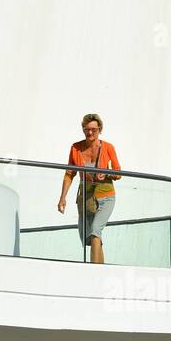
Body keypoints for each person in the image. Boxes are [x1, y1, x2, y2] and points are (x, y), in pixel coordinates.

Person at [57, 113, 122, 264]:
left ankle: (94, 272)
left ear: (100, 129)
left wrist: (108, 174)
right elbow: (69, 174)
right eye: (87, 129)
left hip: (106, 195)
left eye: (94, 129)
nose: (90, 132)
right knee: (90, 236)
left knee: (95, 231)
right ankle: (101, 270)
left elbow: (118, 172)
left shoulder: (108, 147)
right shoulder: (75, 148)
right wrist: (62, 198)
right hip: (86, 198)